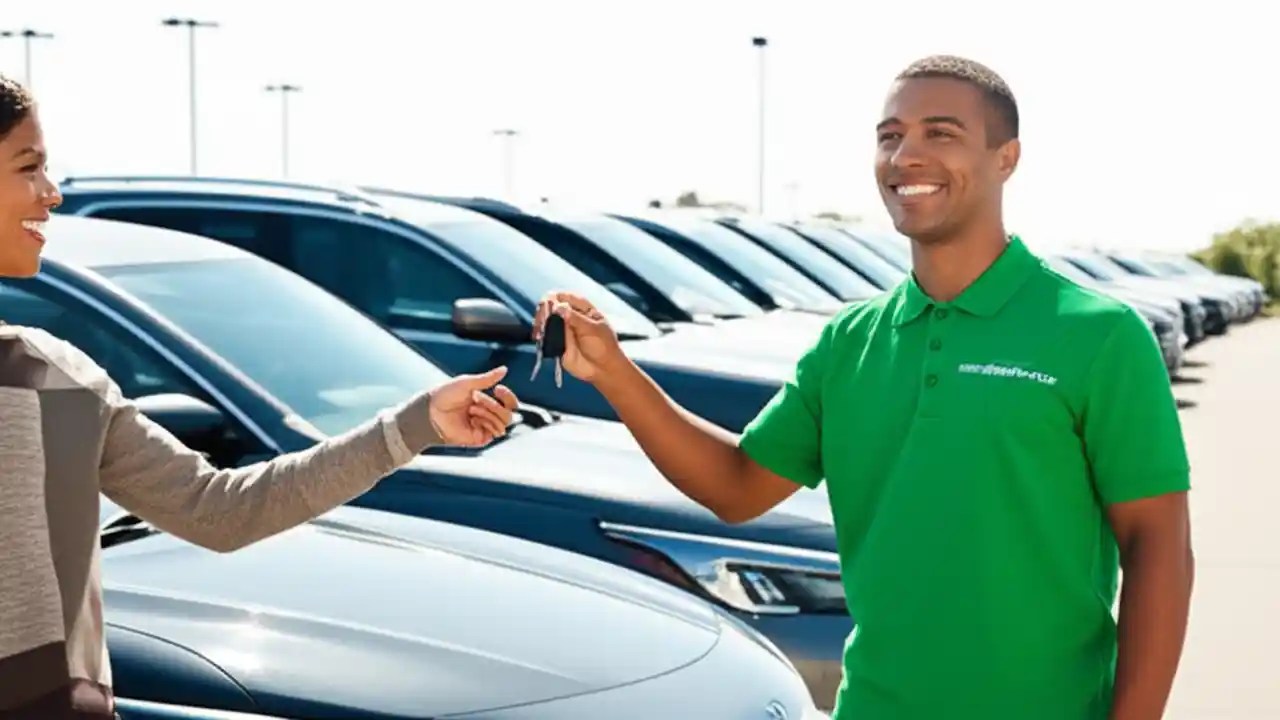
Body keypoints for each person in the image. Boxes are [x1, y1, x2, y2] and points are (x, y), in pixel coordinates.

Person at [535, 55, 1194, 720]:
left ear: (1006, 158)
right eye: (890, 136)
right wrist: (615, 373)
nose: (906, 156)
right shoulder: (851, 342)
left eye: (941, 133)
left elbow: (1158, 547)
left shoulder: (1098, 335)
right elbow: (736, 487)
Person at [0, 74, 520, 720]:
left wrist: (416, 425)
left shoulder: (61, 379)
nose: (52, 193)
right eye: (29, 167)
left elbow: (221, 509)